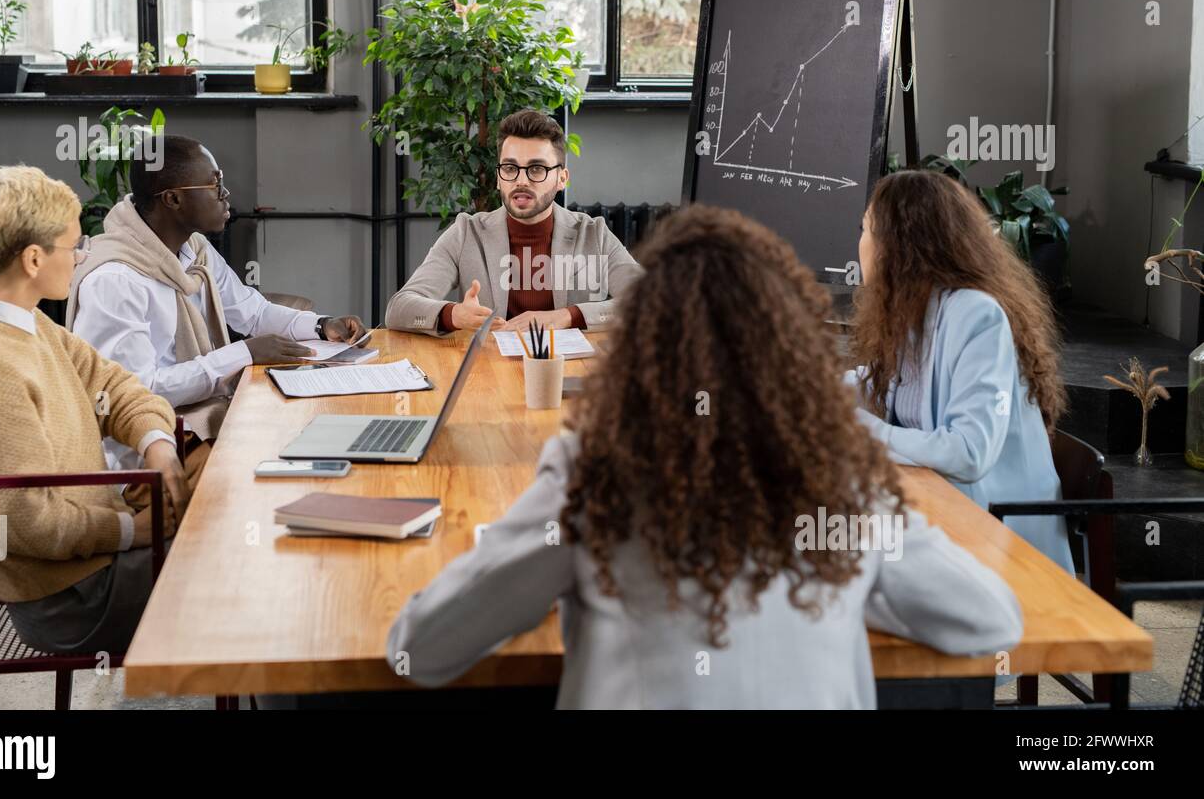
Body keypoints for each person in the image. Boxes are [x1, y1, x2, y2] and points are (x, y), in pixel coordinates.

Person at [385, 204, 1023, 708]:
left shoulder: (594, 470)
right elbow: (989, 619)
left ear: (644, 343)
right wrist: (849, 578)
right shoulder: (843, 477)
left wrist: (558, 584)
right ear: (787, 343)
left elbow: (423, 647)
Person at [0, 165, 187, 654]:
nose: (82, 256)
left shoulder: (27, 324)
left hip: (92, 567)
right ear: (33, 259)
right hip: (70, 601)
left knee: (224, 532)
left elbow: (116, 384)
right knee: (234, 564)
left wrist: (157, 443)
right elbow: (28, 523)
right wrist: (133, 530)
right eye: (72, 247)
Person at [67, 135, 367, 476]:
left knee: (305, 432)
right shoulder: (115, 280)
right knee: (268, 460)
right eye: (214, 184)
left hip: (197, 419)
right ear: (174, 199)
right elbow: (137, 392)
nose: (225, 195)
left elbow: (252, 311)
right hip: (144, 458)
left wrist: (320, 325)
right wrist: (243, 354)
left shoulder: (194, 251)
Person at [849, 169, 1075, 574]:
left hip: (1003, 547)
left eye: (865, 229)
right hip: (953, 519)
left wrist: (859, 429)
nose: (859, 242)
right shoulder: (916, 311)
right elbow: (885, 385)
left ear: (898, 245)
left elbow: (968, 452)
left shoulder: (975, 314)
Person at [385, 108, 642, 336]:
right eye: (509, 168)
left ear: (562, 179)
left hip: (567, 373)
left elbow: (649, 299)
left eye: (537, 169)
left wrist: (568, 316)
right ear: (498, 178)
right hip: (490, 373)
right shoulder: (466, 232)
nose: (521, 181)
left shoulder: (592, 233)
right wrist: (453, 315)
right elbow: (399, 308)